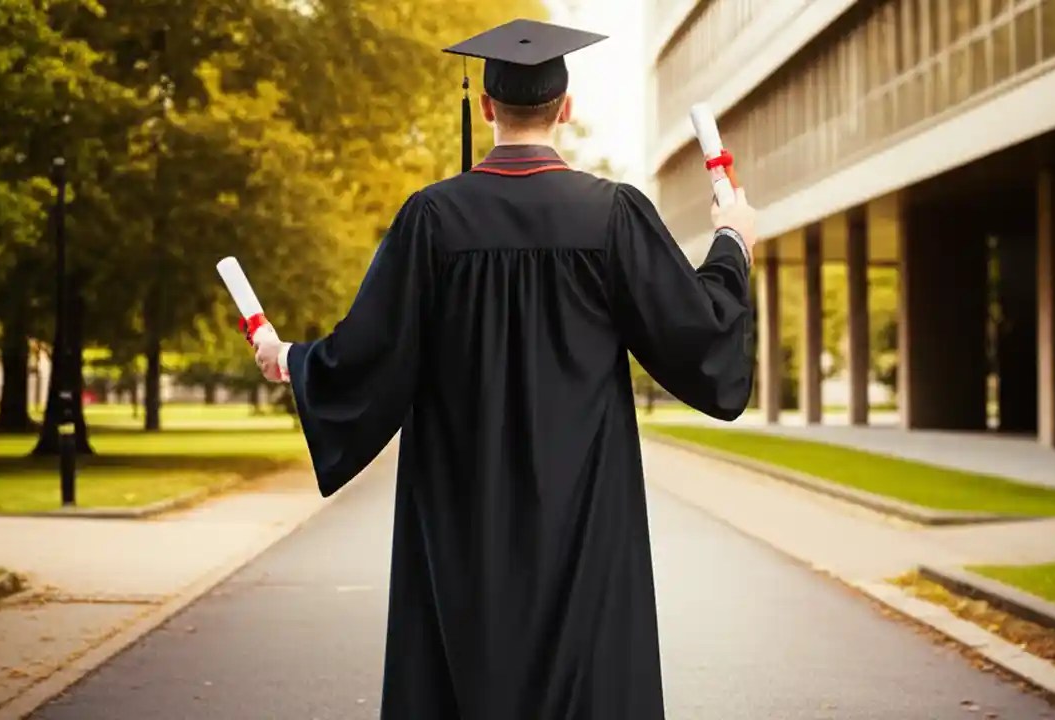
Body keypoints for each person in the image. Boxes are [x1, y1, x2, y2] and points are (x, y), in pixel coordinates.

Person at [253, 18, 758, 720]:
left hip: (461, 521)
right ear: (567, 107)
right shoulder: (613, 217)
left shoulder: (431, 220)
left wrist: (289, 359)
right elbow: (700, 339)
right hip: (587, 520)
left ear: (486, 107)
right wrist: (732, 238)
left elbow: (365, 355)